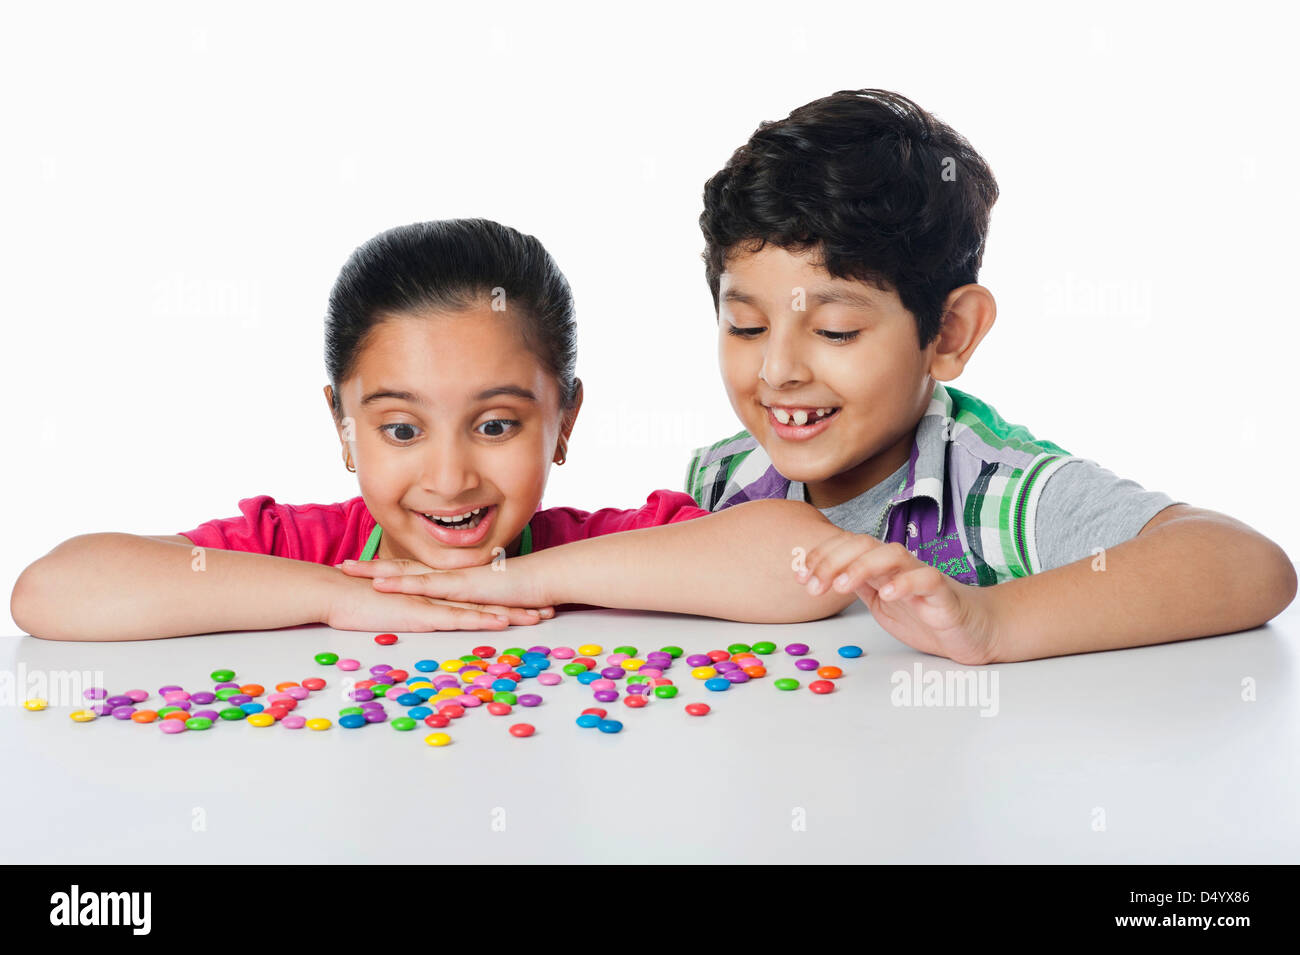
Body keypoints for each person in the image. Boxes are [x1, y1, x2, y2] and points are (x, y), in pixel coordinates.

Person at [11, 219, 853, 642]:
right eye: (402, 428)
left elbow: (804, 565)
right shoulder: (295, 550)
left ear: (565, 420)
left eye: (494, 423)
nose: (449, 477)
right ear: (343, 428)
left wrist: (522, 583)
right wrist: (343, 597)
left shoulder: (594, 554)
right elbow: (51, 589)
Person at [680, 88, 1295, 664]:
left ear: (949, 334)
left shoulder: (997, 494)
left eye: (836, 330)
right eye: (745, 327)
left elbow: (1246, 564)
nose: (778, 371)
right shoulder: (719, 478)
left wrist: (989, 620)